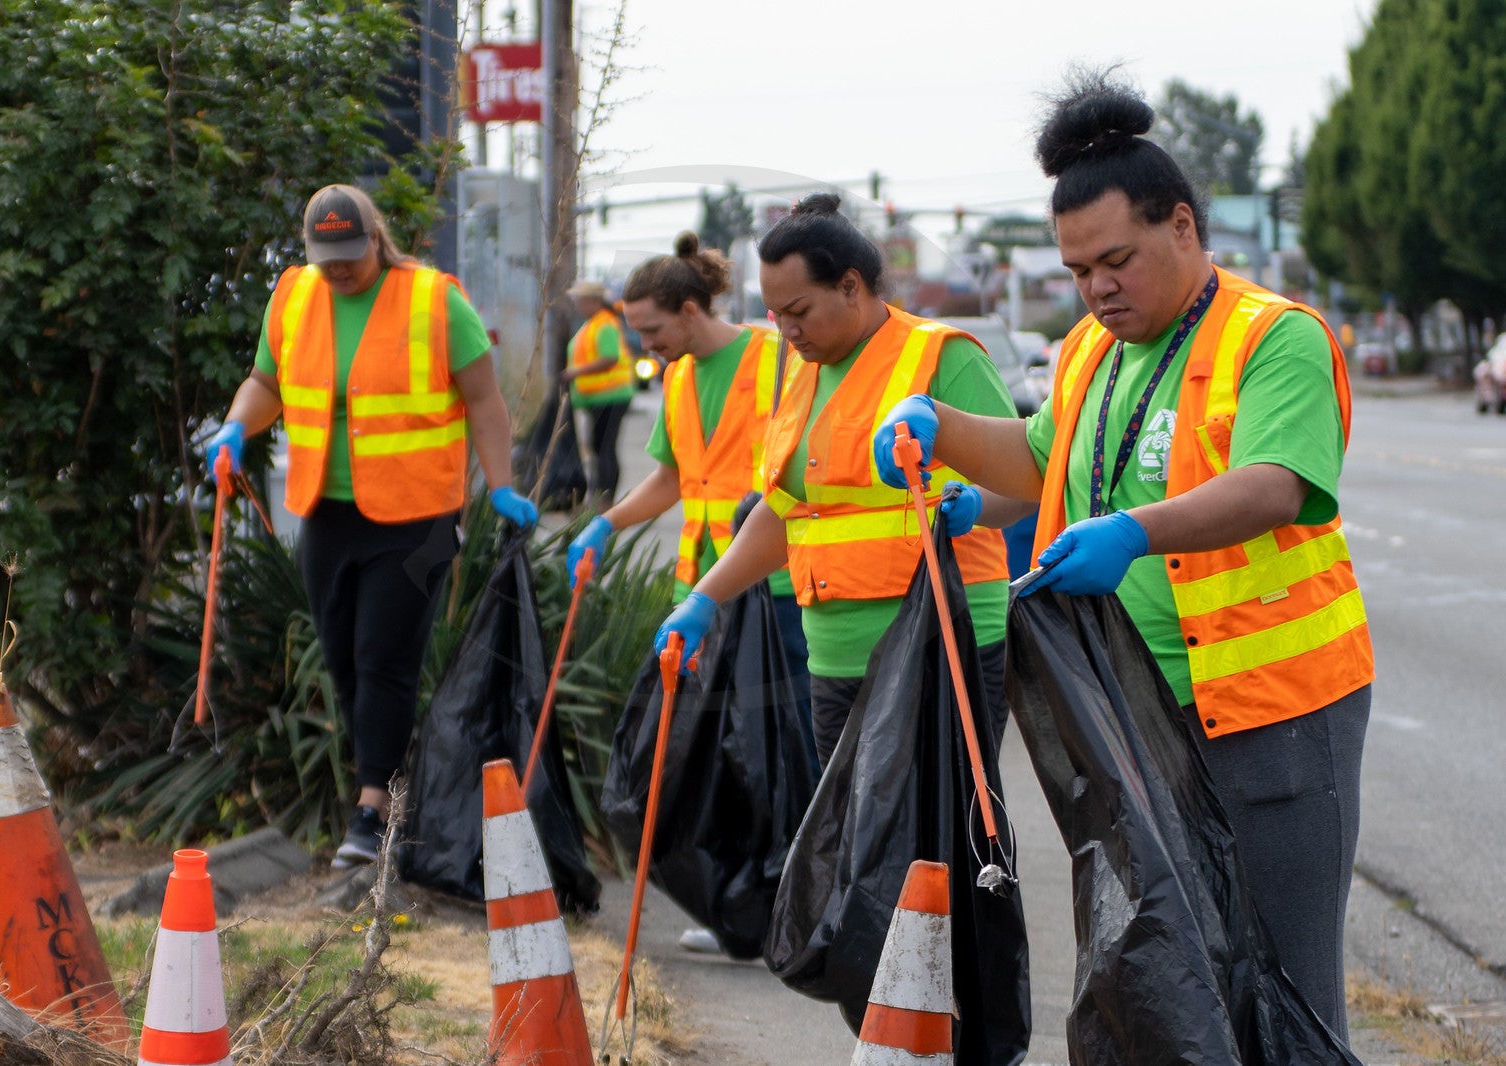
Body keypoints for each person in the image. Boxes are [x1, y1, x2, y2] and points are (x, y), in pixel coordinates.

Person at [874, 70, 1375, 1040]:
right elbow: (1041, 459)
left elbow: (1275, 481)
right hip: (1133, 716)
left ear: (1182, 226)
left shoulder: (1274, 339)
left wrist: (1134, 532)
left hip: (1268, 711)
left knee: (1286, 994)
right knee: (1180, 984)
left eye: (1116, 260)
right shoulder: (1087, 352)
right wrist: (939, 429)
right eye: (1077, 271)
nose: (1097, 288)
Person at [203, 183, 539, 868]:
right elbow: (266, 383)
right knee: (343, 659)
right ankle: (388, 787)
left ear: (376, 240)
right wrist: (237, 425)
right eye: (326, 258)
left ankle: (371, 810)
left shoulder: (434, 301)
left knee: (383, 655)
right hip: (328, 512)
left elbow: (483, 398)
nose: (339, 270)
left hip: (419, 516)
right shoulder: (293, 296)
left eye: (351, 255)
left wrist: (501, 485)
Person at [652, 194, 1029, 767]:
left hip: (944, 645)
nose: (788, 330)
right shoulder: (801, 375)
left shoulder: (942, 356)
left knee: (947, 820)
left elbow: (1023, 482)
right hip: (833, 658)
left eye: (799, 310)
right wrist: (707, 596)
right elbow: (786, 511)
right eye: (776, 315)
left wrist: (975, 504)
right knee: (848, 824)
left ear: (851, 286)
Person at [566, 231, 812, 720]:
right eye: (638, 333)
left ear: (690, 311)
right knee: (703, 739)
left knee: (787, 737)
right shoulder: (677, 376)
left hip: (775, 586)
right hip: (698, 589)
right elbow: (670, 480)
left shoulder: (781, 359)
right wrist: (606, 523)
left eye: (652, 329)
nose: (645, 345)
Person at [562, 279, 637, 508]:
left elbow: (610, 357)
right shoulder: (593, 324)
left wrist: (576, 372)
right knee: (598, 448)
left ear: (593, 301)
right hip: (598, 397)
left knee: (604, 449)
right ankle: (600, 497)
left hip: (611, 396)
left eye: (579, 300)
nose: (576, 305)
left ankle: (605, 499)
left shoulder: (604, 325)